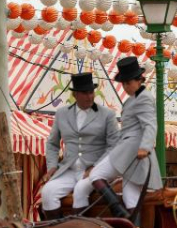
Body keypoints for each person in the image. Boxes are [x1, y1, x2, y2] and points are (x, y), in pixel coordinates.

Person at [87, 56, 162, 217]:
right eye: (124, 83)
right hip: (129, 152)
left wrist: (145, 147)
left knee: (96, 174)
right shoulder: (132, 99)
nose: (126, 87)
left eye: (128, 83)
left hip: (133, 151)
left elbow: (150, 124)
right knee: (131, 199)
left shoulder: (144, 98)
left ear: (138, 80)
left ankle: (118, 213)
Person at [40, 72, 119, 219]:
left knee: (80, 190)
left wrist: (96, 167)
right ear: (75, 94)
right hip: (68, 169)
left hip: (95, 171)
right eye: (85, 93)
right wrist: (51, 165)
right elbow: (52, 143)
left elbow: (114, 146)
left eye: (91, 92)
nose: (90, 96)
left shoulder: (107, 114)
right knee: (48, 192)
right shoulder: (61, 114)